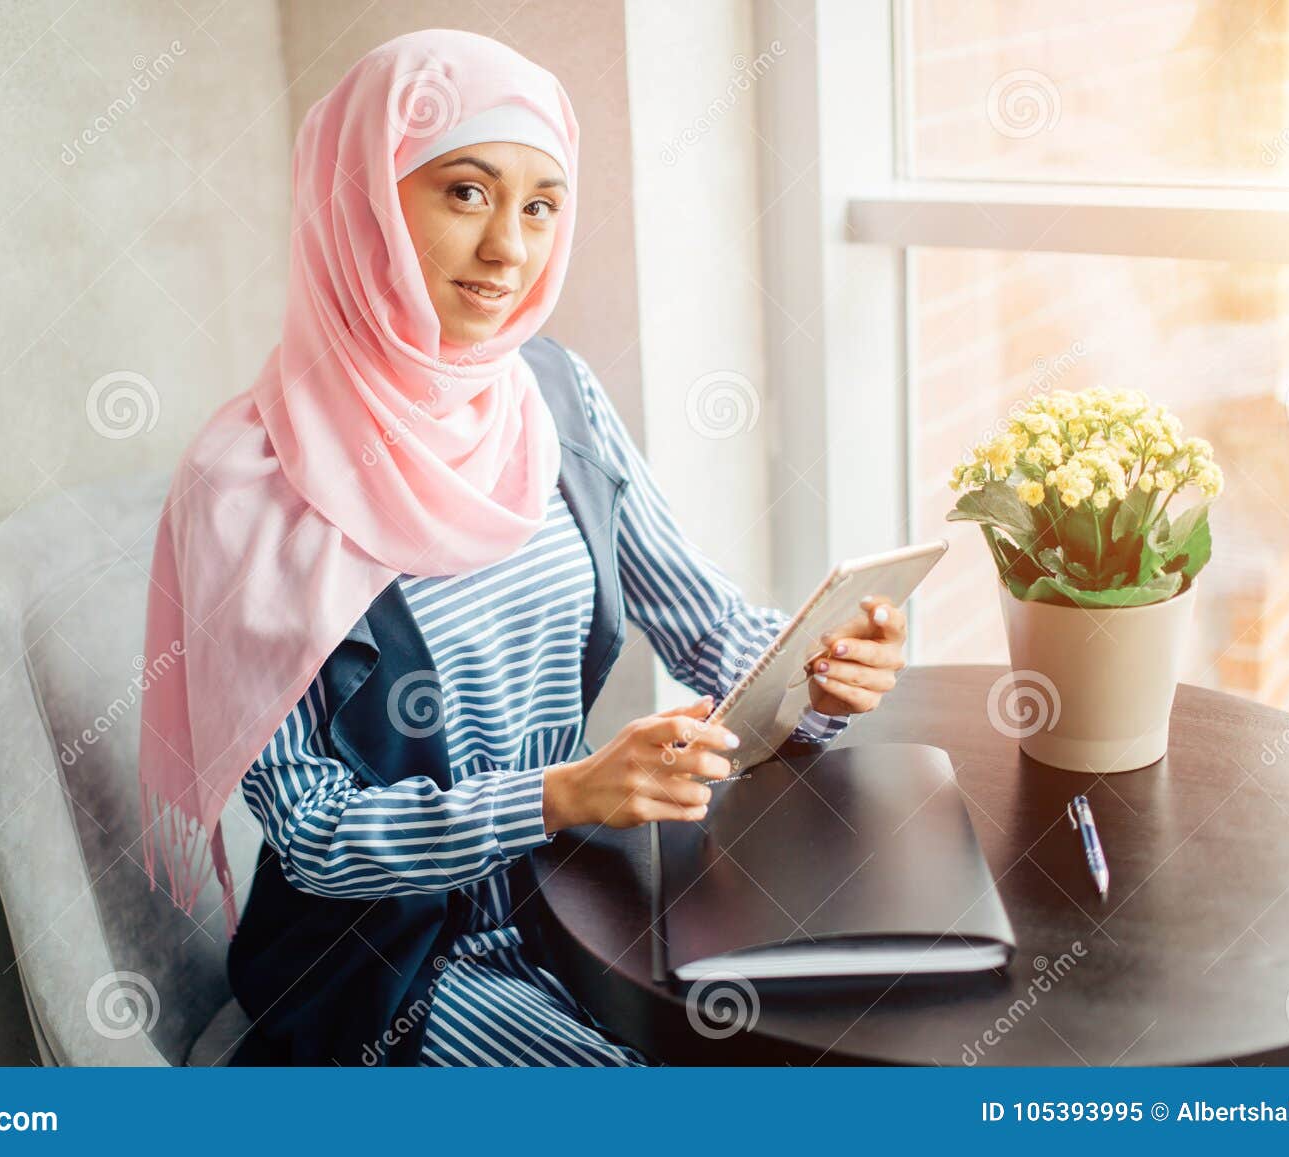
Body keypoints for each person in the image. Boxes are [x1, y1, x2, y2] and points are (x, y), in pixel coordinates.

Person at [135, 27, 908, 1068]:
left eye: (541, 203)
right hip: (396, 968)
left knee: (834, 1037)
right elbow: (312, 831)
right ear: (360, 197)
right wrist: (563, 792)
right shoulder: (246, 482)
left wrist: (818, 669)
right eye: (465, 191)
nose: (510, 247)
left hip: (589, 897)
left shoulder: (550, 395)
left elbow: (713, 631)